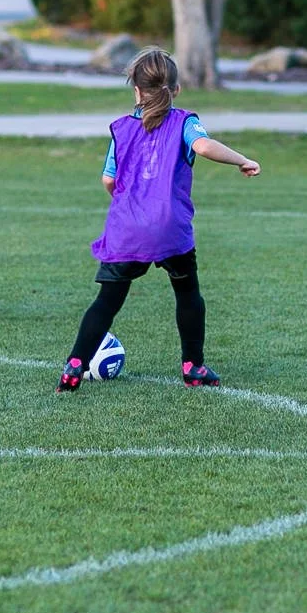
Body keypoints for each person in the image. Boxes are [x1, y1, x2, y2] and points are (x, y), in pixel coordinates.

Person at [57, 47, 260, 392]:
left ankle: (74, 367)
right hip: (169, 228)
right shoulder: (185, 122)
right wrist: (242, 159)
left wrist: (130, 204)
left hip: (127, 229)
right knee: (187, 292)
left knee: (107, 301)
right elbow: (204, 147)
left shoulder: (121, 129)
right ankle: (193, 367)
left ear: (136, 90)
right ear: (176, 90)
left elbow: (109, 180)